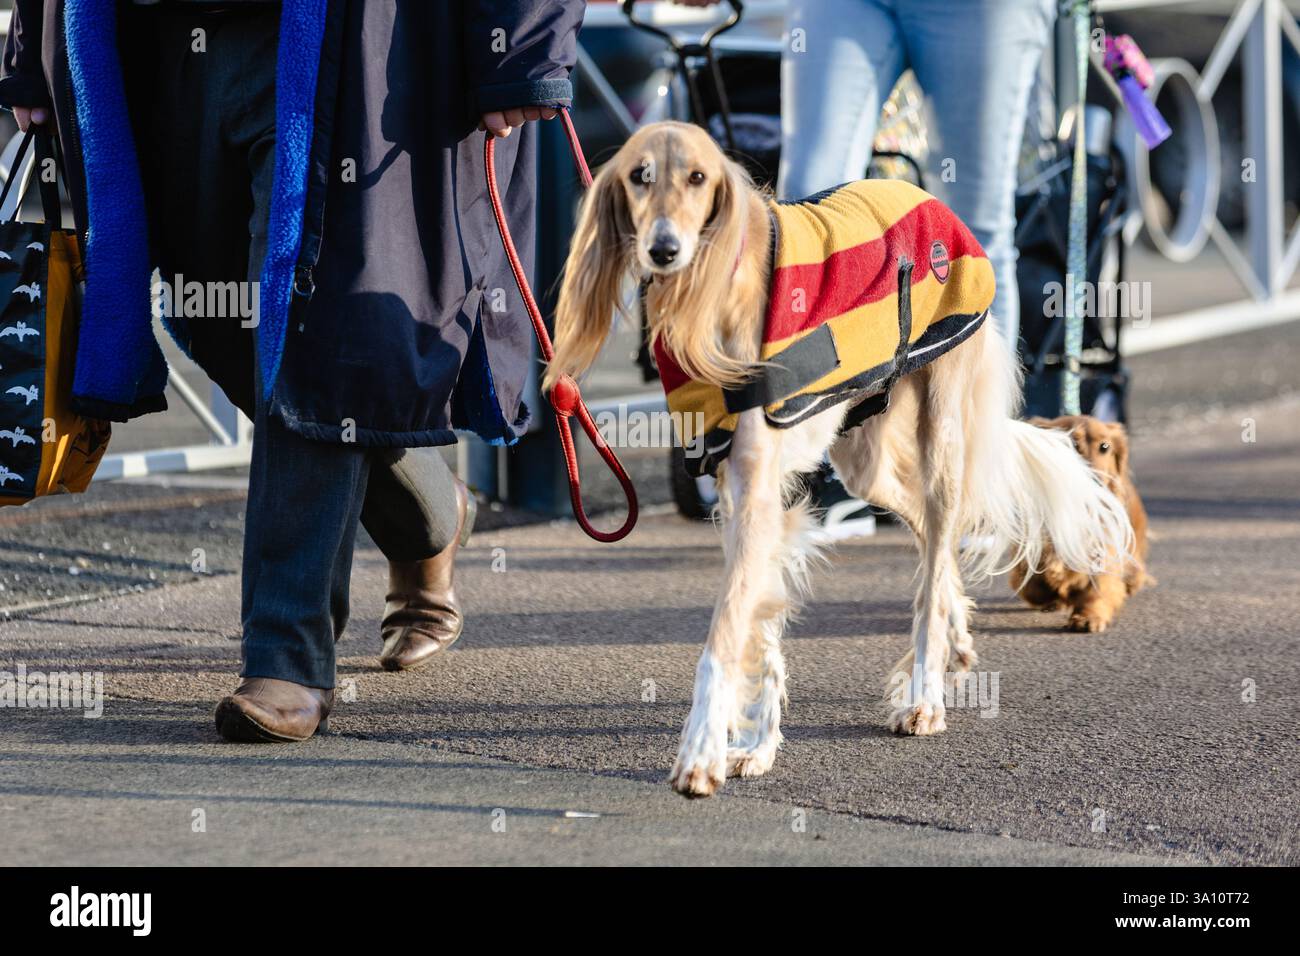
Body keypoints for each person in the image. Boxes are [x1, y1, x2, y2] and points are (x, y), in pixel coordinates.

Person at [0, 0, 586, 742]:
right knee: (220, 323)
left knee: (312, 332)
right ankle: (430, 514)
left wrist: (524, 46)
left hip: (365, 50)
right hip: (167, 45)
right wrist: (29, 45)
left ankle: (287, 656)